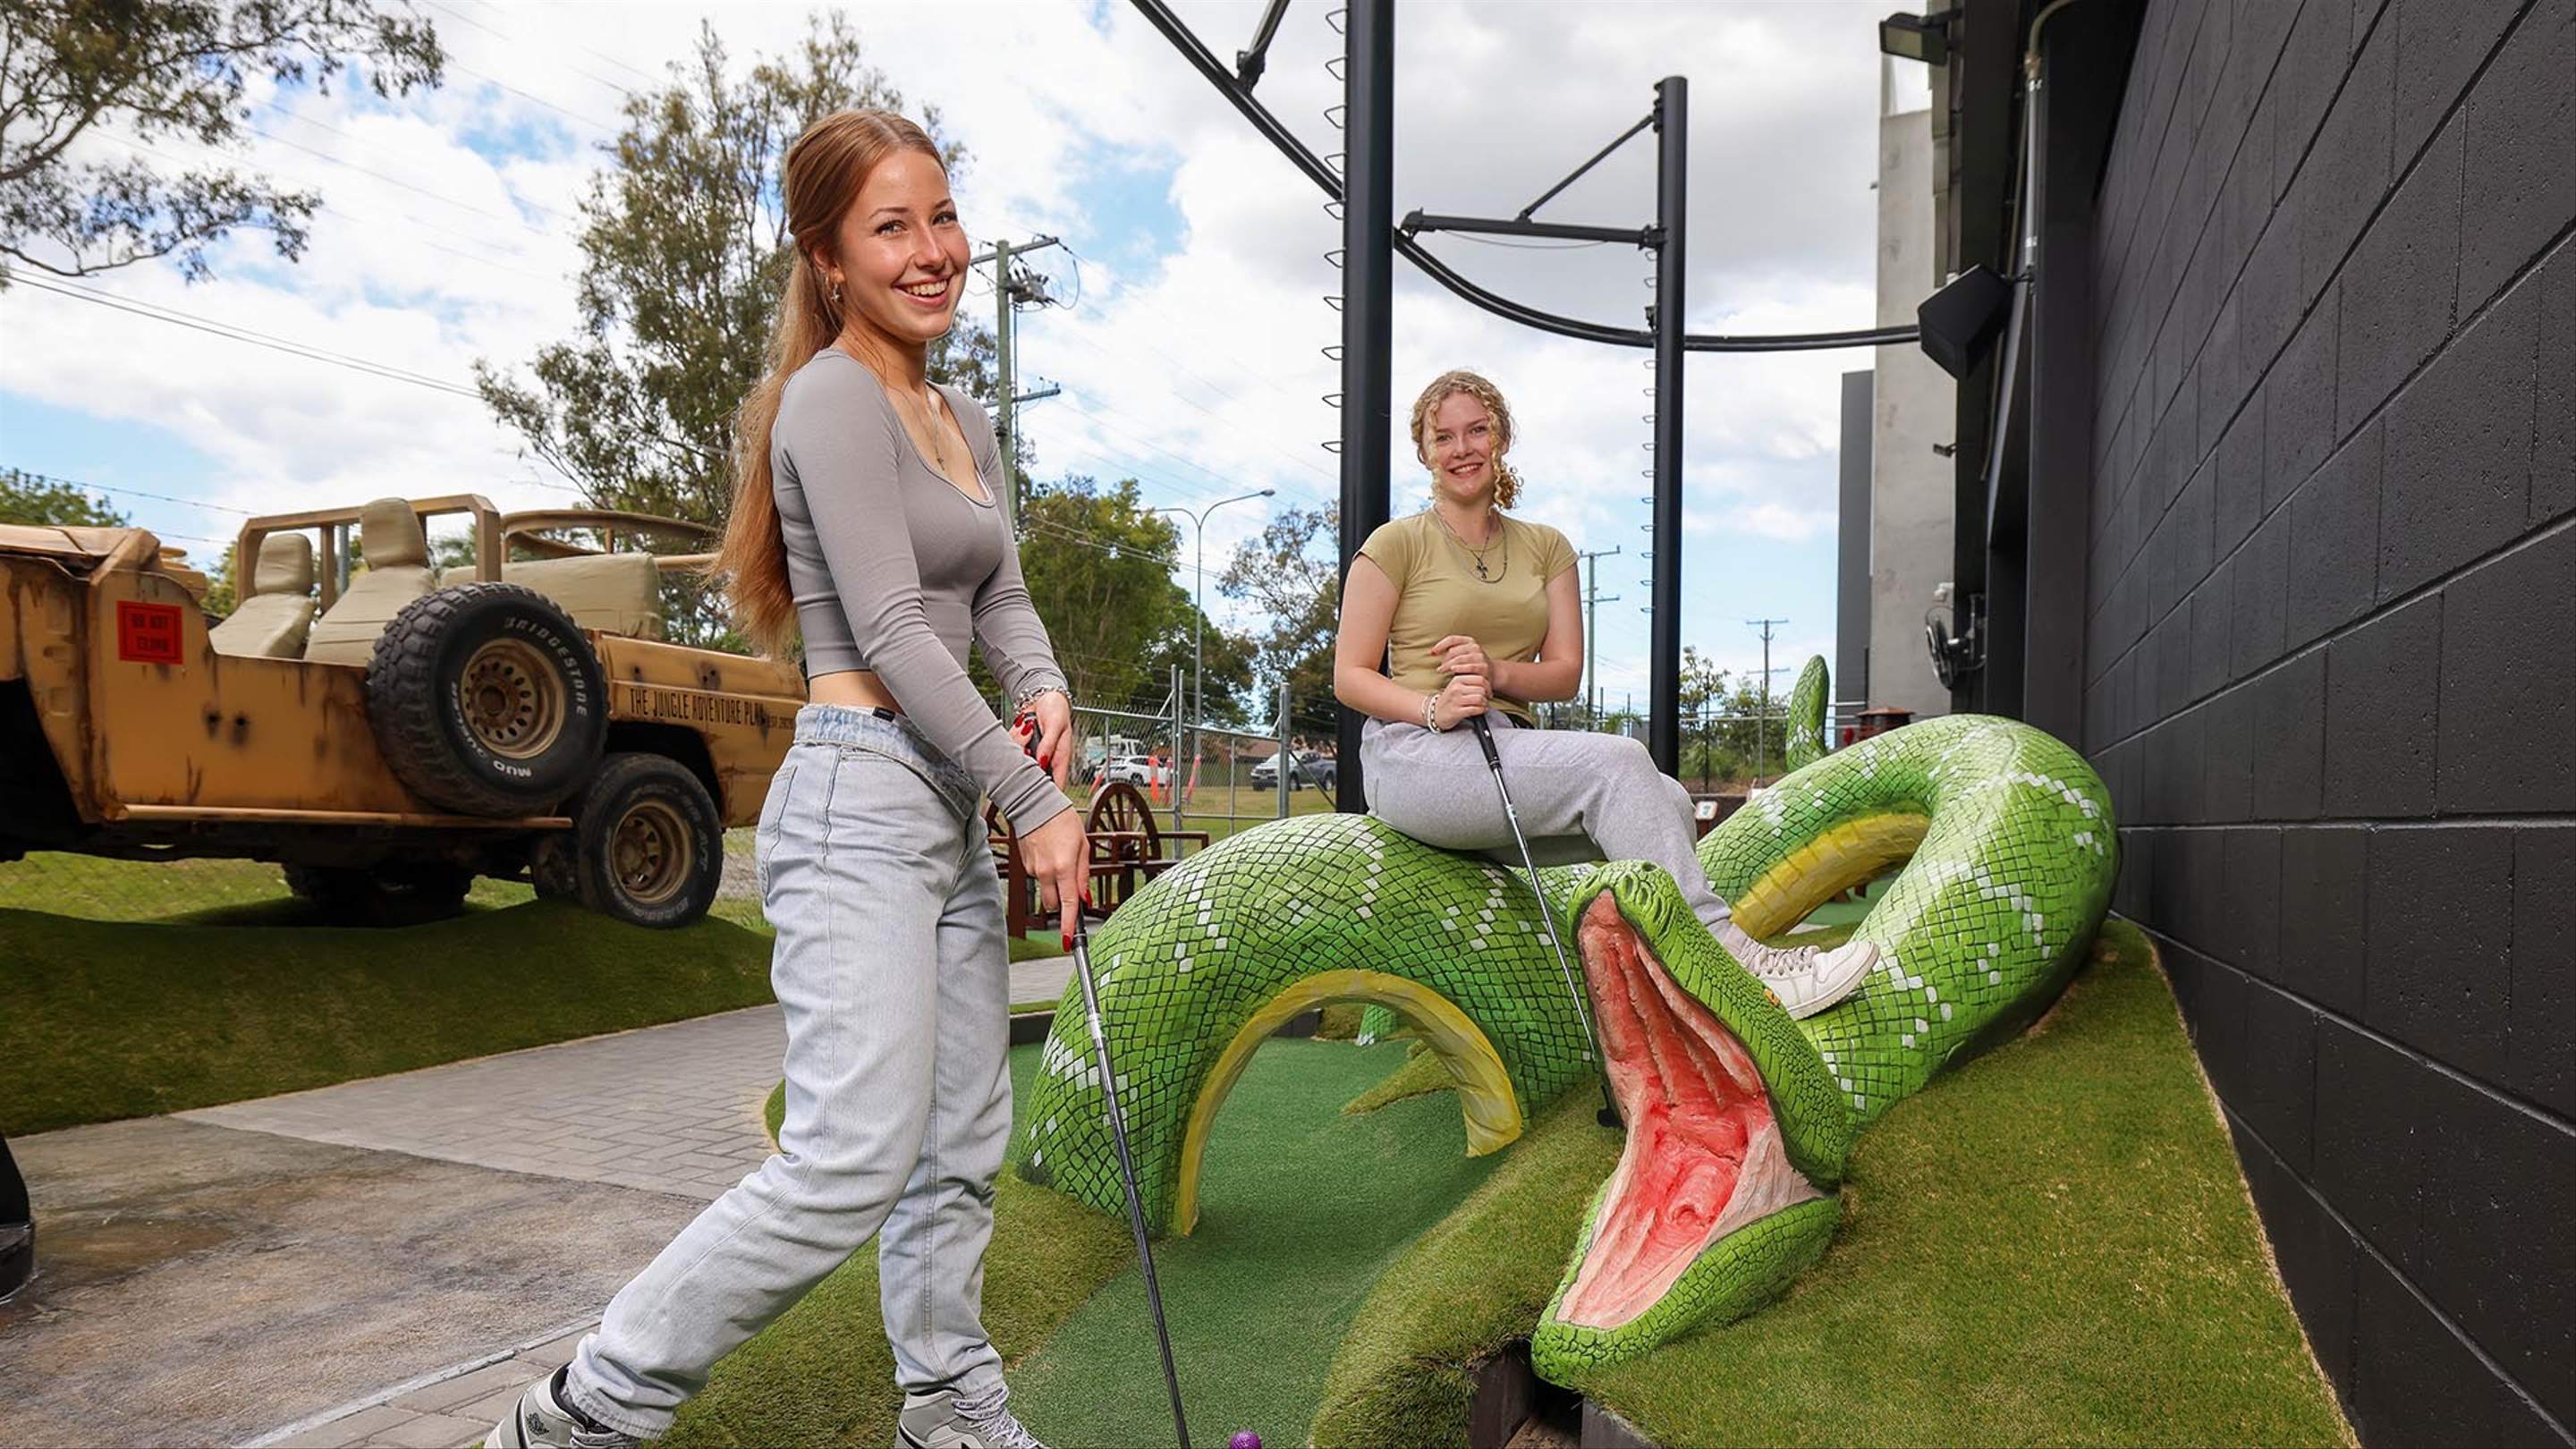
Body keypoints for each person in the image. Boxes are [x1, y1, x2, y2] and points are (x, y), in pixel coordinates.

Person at [487, 109, 1083, 1449]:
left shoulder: (963, 416)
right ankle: (584, 1413)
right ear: (827, 258)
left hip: (937, 806)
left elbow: (1002, 600)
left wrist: (1040, 692)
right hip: (858, 797)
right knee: (850, 1158)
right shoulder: (828, 397)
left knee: (958, 1145)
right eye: (892, 227)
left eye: (941, 217)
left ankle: (949, 1405)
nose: (933, 252)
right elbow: (883, 627)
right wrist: (1034, 798)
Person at [1332, 369, 1876, 1018]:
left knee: (1667, 799)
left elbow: (1563, 674)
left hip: (1505, 751)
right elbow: (1350, 676)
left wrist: (1497, 673)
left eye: (1476, 430)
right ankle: (1737, 968)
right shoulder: (1396, 544)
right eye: (1443, 436)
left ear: (1501, 436)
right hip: (1414, 756)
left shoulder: (1547, 548)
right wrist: (1432, 705)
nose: (1462, 448)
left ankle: (1663, 1001)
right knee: (1620, 763)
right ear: (1424, 452)